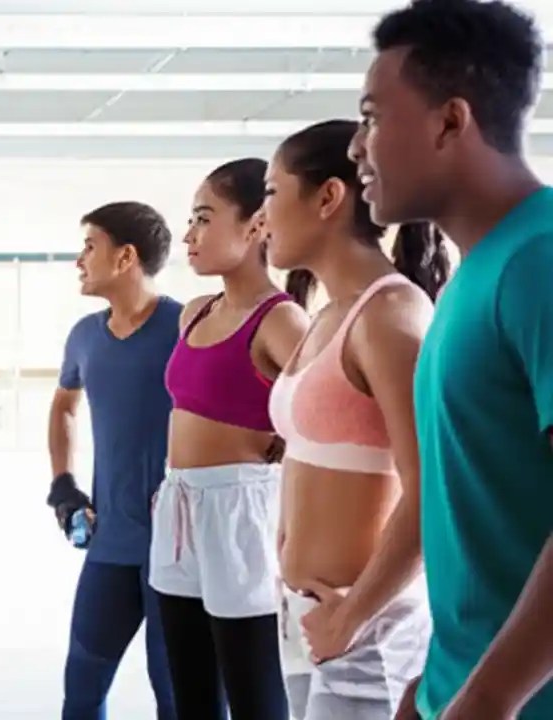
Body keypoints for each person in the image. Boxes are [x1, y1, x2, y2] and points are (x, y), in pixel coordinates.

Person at [351, 1, 553, 717]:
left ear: (450, 121)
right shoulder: (477, 273)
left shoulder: (541, 259)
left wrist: (491, 694)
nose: (356, 147)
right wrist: (440, 680)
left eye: (373, 117)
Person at [262, 118, 449, 720]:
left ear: (328, 197)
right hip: (306, 617)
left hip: (366, 627)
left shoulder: (390, 316)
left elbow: (432, 491)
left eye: (270, 192)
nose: (261, 217)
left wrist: (353, 615)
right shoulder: (324, 314)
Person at [148, 158, 311, 720]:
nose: (188, 236)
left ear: (256, 225)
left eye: (202, 218)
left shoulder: (282, 321)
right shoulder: (194, 313)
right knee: (190, 692)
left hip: (242, 508)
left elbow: (322, 422)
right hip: (179, 504)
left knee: (252, 692)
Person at [46, 201, 180, 720]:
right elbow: (63, 404)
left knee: (176, 698)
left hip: (176, 551)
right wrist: (63, 484)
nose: (80, 259)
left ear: (125, 257)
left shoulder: (186, 325)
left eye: (89, 246)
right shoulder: (84, 335)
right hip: (109, 546)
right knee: (80, 693)